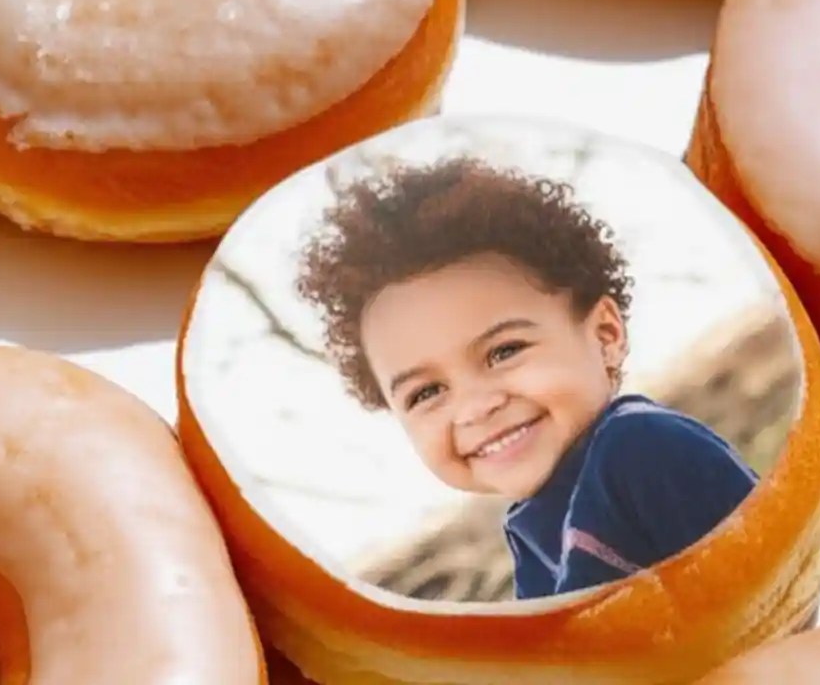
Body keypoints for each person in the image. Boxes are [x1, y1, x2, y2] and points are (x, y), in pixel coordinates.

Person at [295, 156, 759, 599]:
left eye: (504, 351)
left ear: (605, 334)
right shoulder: (535, 531)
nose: (476, 407)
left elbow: (775, 585)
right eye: (428, 392)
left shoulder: (640, 450)